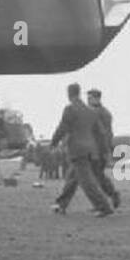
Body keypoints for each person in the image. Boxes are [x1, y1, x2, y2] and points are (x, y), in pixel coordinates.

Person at [49, 83, 113, 216]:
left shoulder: (70, 109)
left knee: (87, 182)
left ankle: (104, 207)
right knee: (72, 178)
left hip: (78, 150)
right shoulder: (91, 111)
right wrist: (105, 151)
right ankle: (61, 205)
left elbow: (62, 128)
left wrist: (53, 143)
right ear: (79, 93)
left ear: (69, 94)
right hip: (92, 150)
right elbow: (102, 133)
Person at [84, 88, 121, 210]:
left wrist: (106, 151)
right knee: (95, 177)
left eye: (90, 98)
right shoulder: (93, 112)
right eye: (87, 98)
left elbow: (106, 134)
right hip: (93, 149)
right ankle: (103, 201)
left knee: (97, 176)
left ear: (97, 99)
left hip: (99, 150)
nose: (88, 100)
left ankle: (111, 195)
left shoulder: (103, 113)